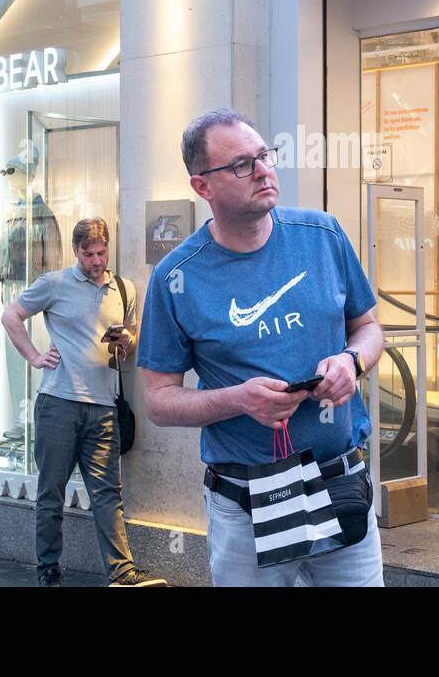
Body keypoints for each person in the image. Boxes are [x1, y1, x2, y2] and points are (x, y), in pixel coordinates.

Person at [137, 109, 386, 587]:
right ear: (202, 187)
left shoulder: (323, 235)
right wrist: (238, 399)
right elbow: (158, 401)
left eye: (264, 156)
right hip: (246, 501)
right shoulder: (176, 276)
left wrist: (351, 361)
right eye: (241, 165)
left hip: (340, 485)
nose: (263, 171)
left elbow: (369, 328)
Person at [1, 217, 164, 588]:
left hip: (104, 406)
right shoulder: (54, 284)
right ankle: (48, 571)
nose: (96, 260)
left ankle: (122, 572)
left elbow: (133, 339)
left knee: (108, 493)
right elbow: (10, 316)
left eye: (102, 253)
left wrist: (126, 341)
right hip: (58, 403)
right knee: (51, 492)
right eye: (88, 254)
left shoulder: (124, 289)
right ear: (76, 251)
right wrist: (34, 356)